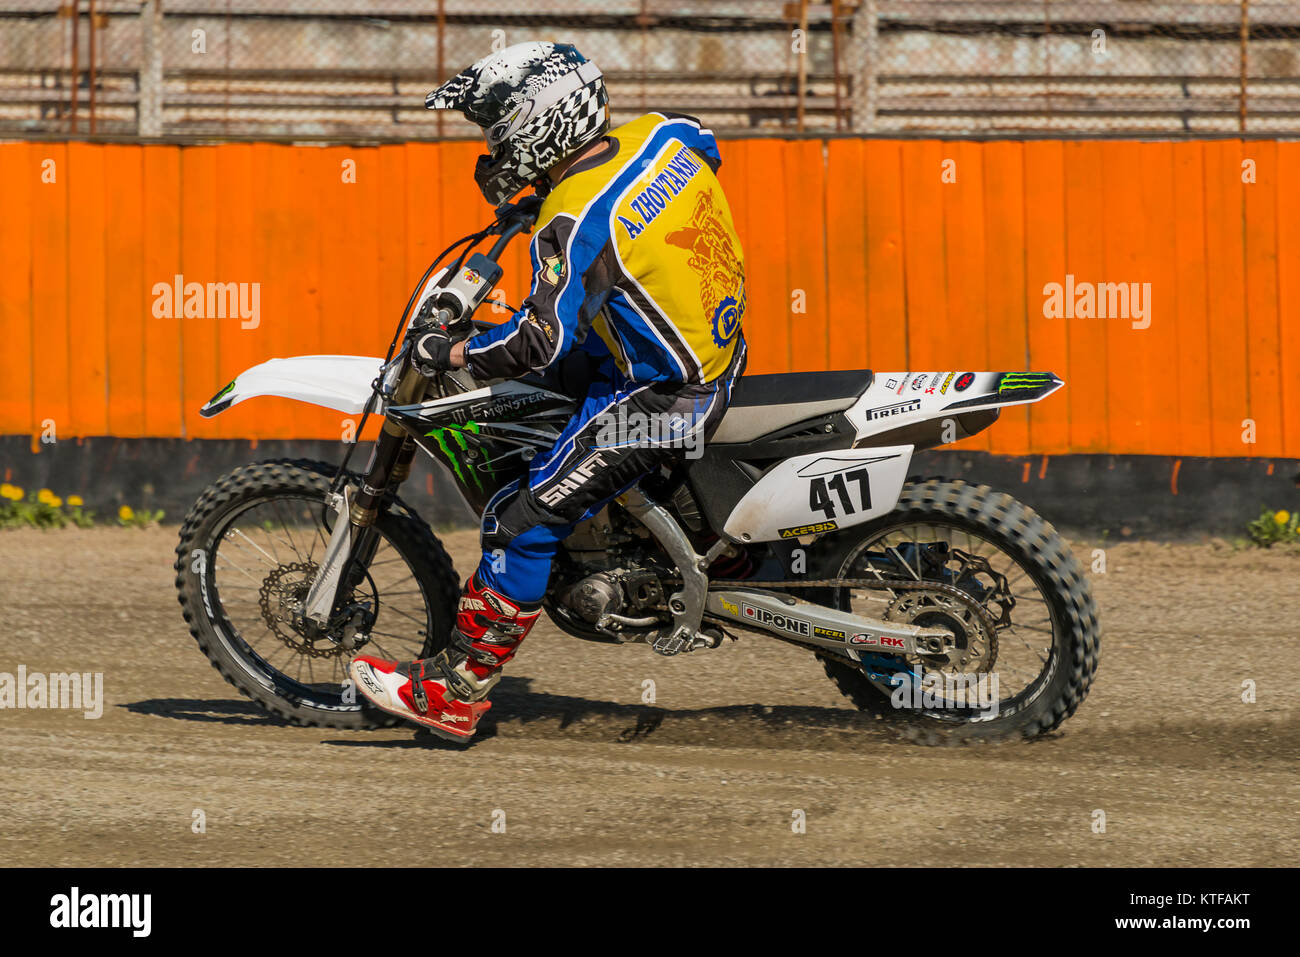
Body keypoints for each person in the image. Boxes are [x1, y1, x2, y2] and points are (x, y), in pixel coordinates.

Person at [350, 41, 747, 741]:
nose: (490, 143)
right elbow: (705, 149)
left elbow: (538, 342)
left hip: (663, 391)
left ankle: (455, 693)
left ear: (533, 123)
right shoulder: (662, 131)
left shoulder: (572, 220)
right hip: (718, 344)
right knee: (547, 402)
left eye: (492, 127)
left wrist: (453, 348)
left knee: (520, 520)